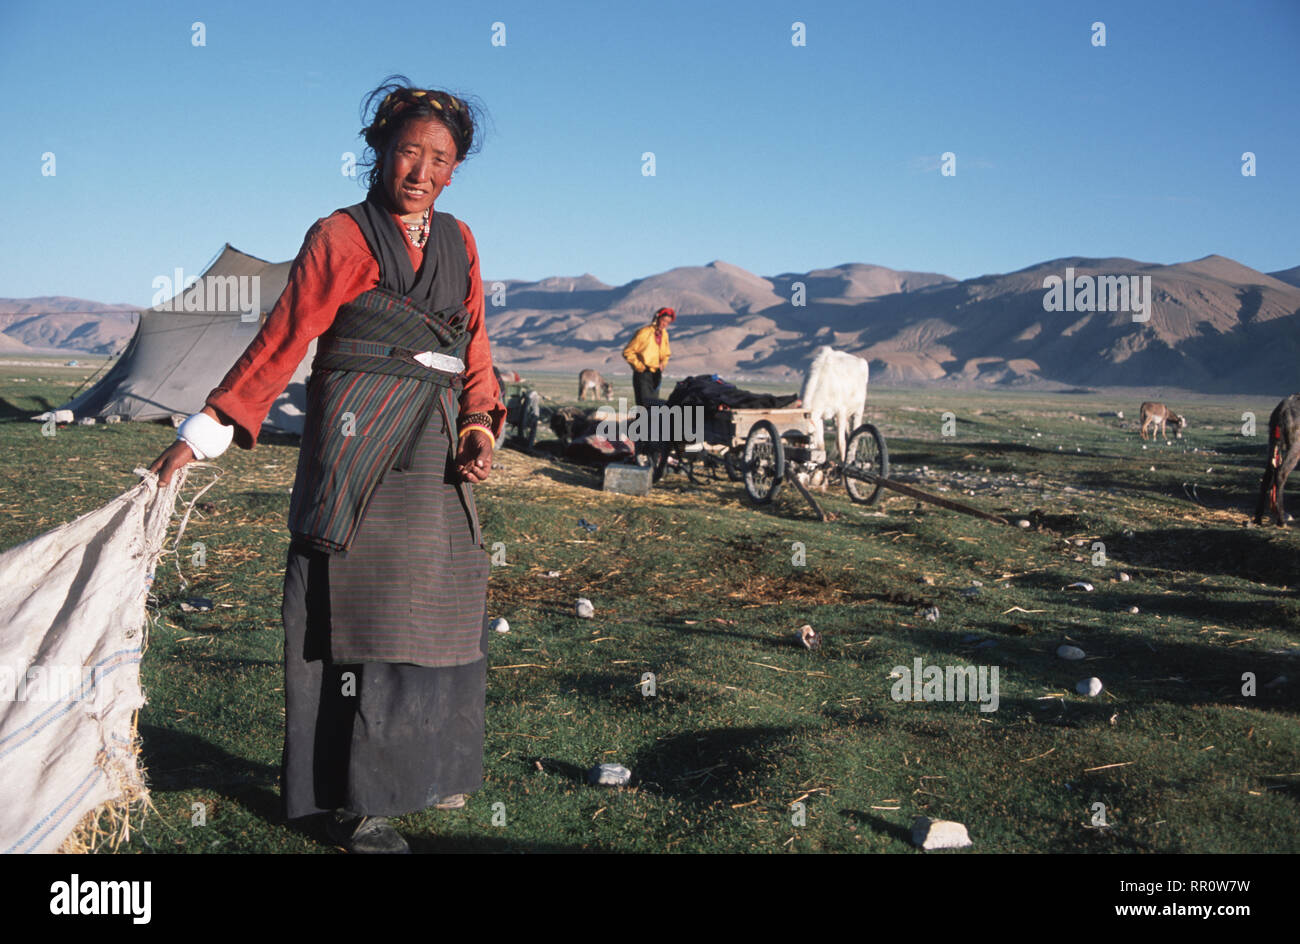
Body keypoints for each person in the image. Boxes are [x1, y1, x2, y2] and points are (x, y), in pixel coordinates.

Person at [147, 78, 504, 854]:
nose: (422, 170)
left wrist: (479, 426)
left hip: (435, 447)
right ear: (379, 151)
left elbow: (473, 345)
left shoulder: (461, 240)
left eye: (439, 158)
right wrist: (205, 431)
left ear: (455, 169)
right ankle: (355, 800)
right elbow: (284, 337)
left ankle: (424, 769)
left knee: (442, 608)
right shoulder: (341, 235)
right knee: (363, 620)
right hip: (357, 449)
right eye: (409, 150)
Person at [622, 306, 674, 407]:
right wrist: (639, 366)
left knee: (654, 406)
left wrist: (663, 364)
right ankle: (640, 423)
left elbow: (666, 354)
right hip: (643, 374)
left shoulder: (665, 334)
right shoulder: (644, 332)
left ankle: (651, 423)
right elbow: (628, 352)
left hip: (657, 374)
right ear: (657, 318)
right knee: (644, 405)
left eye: (668, 322)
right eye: (663, 320)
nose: (665, 324)